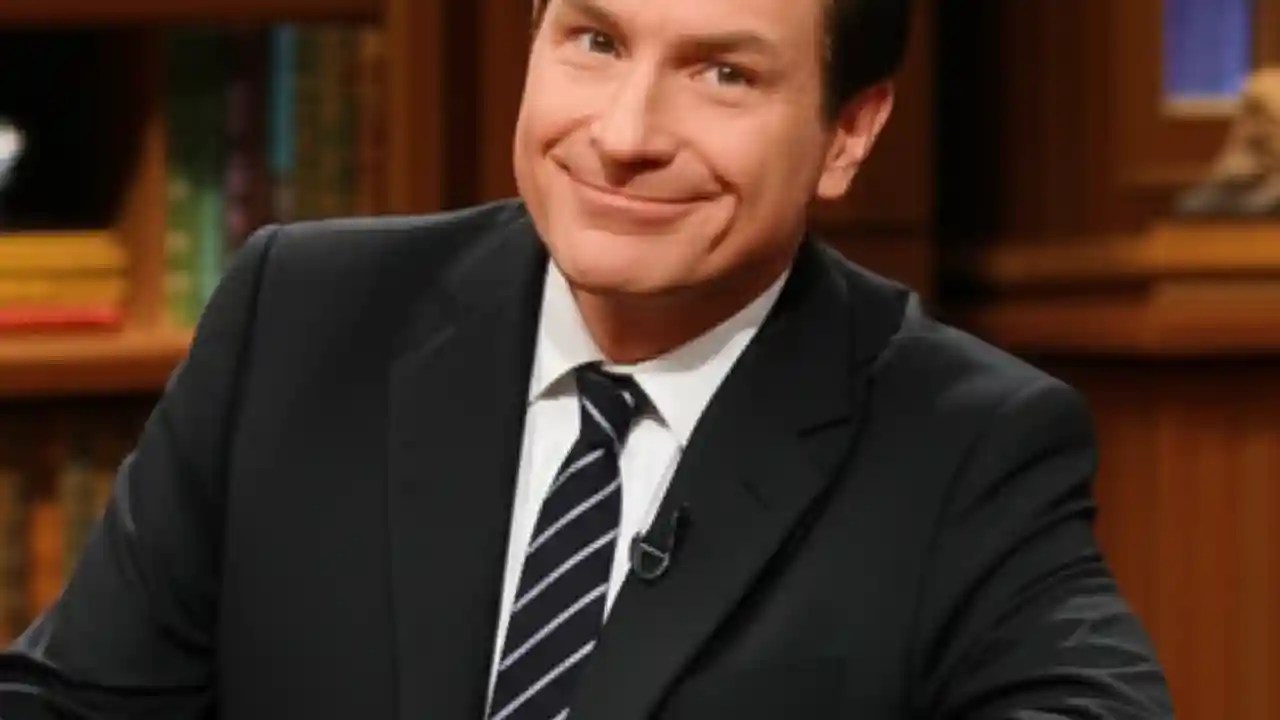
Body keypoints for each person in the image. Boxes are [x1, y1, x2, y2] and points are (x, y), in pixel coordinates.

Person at [0, 0, 1173, 717]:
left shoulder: (961, 441)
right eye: (595, 41)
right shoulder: (300, 317)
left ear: (847, 131)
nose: (622, 136)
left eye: (723, 73)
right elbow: (78, 702)